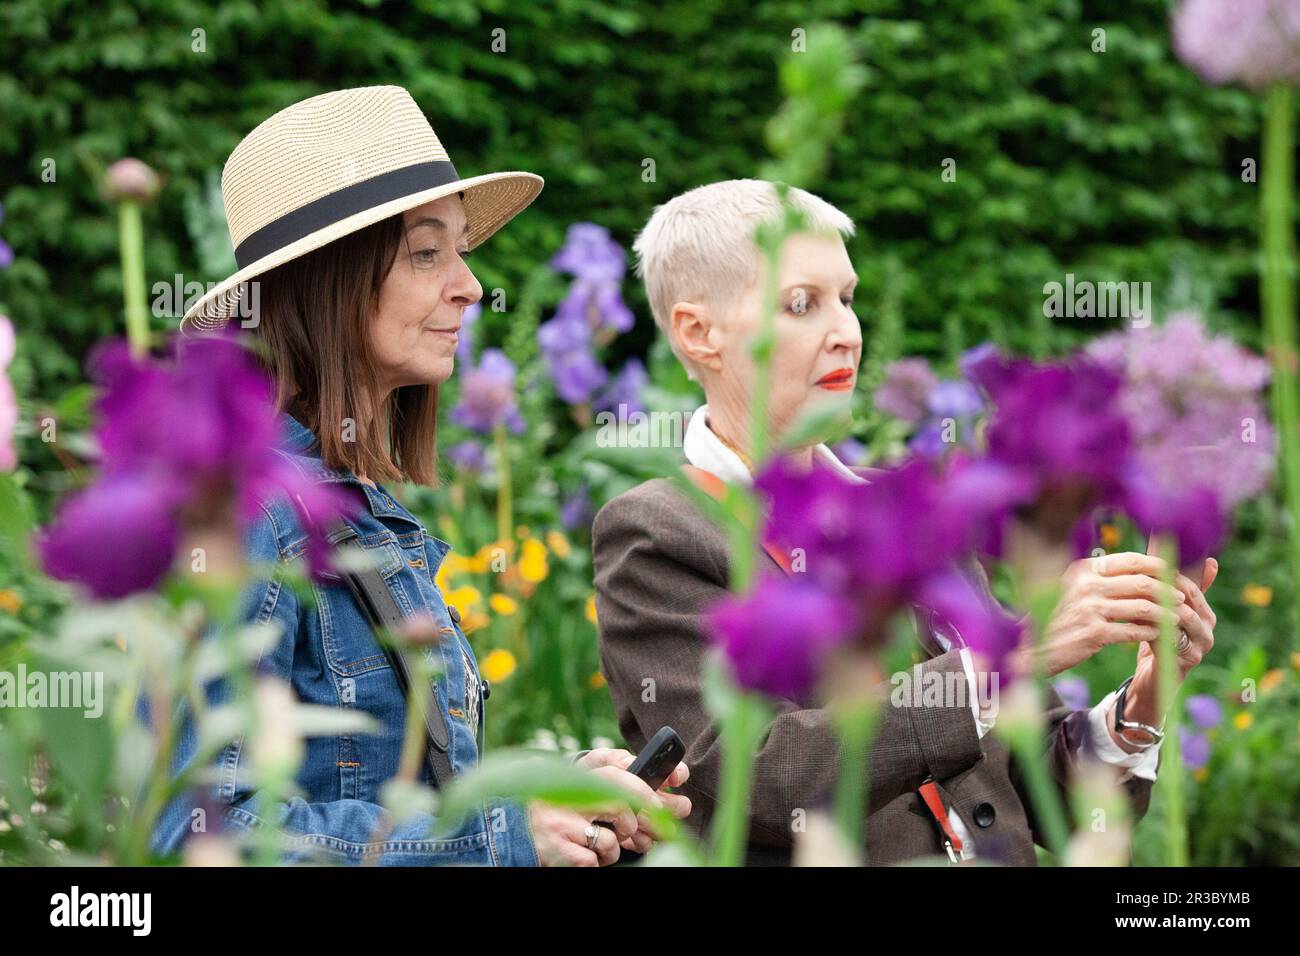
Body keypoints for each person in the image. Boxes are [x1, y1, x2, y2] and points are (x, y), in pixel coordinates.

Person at [592, 178, 1217, 865]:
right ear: (699, 332)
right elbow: (753, 779)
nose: (846, 334)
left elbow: (1052, 802)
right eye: (802, 304)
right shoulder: (660, 530)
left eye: (848, 299)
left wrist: (1145, 697)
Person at [152, 85, 689, 866]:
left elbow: (401, 803)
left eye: (461, 249)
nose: (470, 285)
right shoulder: (244, 512)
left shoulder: (360, 510)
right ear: (328, 278)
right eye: (427, 252)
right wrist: (501, 835)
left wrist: (555, 802)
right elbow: (197, 836)